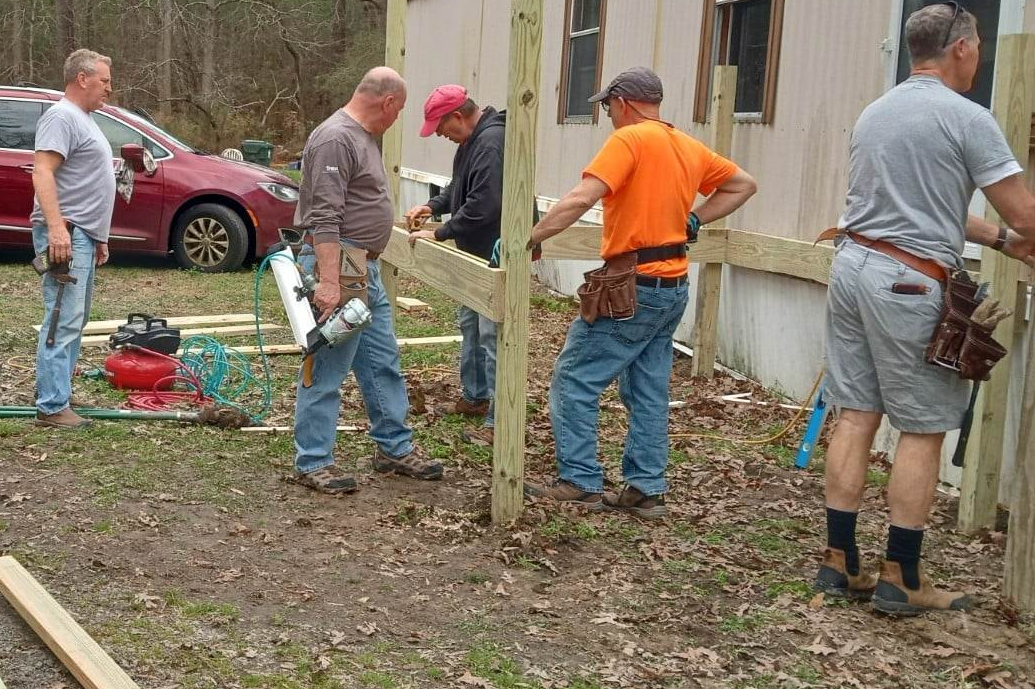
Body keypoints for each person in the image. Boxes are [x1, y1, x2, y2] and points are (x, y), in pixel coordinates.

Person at [816, 2, 1035, 615]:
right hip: (909, 285)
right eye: (978, 46)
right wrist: (1019, 233)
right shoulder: (967, 118)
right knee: (922, 426)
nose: (980, 56)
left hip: (853, 266)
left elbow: (928, 204)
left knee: (856, 414)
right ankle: (902, 576)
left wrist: (996, 241)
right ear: (961, 47)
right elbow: (1025, 214)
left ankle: (839, 565)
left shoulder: (876, 113)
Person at [527, 68, 757, 517]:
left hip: (633, 287)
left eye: (607, 107)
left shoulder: (630, 140)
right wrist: (697, 218)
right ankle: (645, 488)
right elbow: (743, 184)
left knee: (574, 379)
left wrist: (531, 237)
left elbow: (581, 197)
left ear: (623, 102)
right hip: (671, 286)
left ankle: (579, 480)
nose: (608, 116)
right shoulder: (686, 145)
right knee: (648, 389)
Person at [291, 67, 446, 494]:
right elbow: (324, 216)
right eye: (400, 111)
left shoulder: (361, 137)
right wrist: (328, 282)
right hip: (340, 262)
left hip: (362, 266)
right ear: (388, 102)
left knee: (381, 362)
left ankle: (393, 447)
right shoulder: (336, 138)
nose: (398, 120)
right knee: (327, 365)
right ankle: (313, 460)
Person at [404, 84, 506, 446]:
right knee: (470, 324)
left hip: (496, 252)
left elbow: (484, 204)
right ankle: (476, 397)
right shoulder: (470, 143)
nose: (441, 135)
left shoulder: (492, 142)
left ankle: (500, 420)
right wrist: (432, 206)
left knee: (494, 335)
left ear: (458, 116)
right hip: (473, 252)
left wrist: (443, 232)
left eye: (442, 127)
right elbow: (459, 187)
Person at [30, 48, 116, 428]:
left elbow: (83, 182)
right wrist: (56, 228)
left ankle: (59, 395)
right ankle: (51, 405)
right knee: (61, 318)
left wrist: (98, 236)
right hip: (66, 234)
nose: (109, 89)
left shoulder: (82, 119)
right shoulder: (61, 117)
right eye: (104, 81)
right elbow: (42, 172)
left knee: (74, 319)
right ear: (82, 79)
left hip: (82, 235)